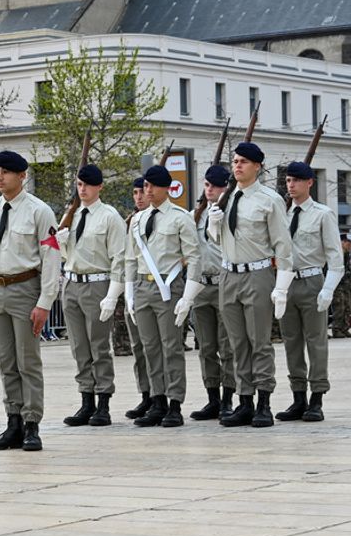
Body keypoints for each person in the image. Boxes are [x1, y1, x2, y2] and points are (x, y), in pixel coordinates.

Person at [0, 150, 60, 452]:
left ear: (22, 176)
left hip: (25, 289)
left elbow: (51, 258)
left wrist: (45, 302)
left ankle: (32, 423)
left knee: (28, 361)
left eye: (6, 172)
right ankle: (13, 422)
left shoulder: (39, 211)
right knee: (6, 361)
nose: (0, 177)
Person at [207, 141, 293, 428]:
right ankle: (244, 401)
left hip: (257, 274)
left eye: (243, 161)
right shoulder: (227, 197)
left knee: (259, 342)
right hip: (228, 275)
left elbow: (283, 245)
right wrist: (213, 224)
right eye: (235, 161)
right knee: (236, 344)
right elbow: (218, 240)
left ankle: (264, 402)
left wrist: (281, 287)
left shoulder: (270, 200)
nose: (237, 166)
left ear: (257, 166)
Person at [124, 165, 202, 428]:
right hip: (142, 287)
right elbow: (131, 258)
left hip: (168, 288)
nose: (147, 190)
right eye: (145, 186)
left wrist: (188, 296)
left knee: (171, 347)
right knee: (150, 348)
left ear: (166, 188)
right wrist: (129, 293)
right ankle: (157, 401)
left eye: (152, 186)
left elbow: (194, 257)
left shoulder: (180, 218)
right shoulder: (137, 220)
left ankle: (175, 403)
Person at [57, 164, 126, 427]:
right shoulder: (72, 215)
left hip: (97, 284)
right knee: (79, 346)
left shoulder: (110, 216)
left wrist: (113, 294)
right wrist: (61, 243)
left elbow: (119, 258)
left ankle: (103, 402)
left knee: (99, 346)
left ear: (99, 187)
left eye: (87, 184)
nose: (82, 189)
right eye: (79, 184)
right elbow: (67, 255)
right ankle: (86, 400)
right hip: (72, 283)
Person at [277, 161, 340, 423]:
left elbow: (335, 258)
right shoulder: (282, 214)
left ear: (310, 183)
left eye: (296, 180)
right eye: (288, 181)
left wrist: (328, 288)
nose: (291, 185)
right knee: (291, 342)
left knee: (316, 342)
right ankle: (298, 397)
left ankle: (317, 398)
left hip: (312, 281)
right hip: (286, 282)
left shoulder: (323, 214)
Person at [190, 166, 237, 420]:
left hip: (223, 283)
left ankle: (228, 398)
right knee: (206, 346)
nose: (209, 190)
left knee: (227, 346)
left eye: (215, 186)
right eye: (207, 185)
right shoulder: (195, 215)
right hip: (201, 286)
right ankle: (213, 399)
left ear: (225, 188)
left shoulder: (230, 213)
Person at [122, 177, 154, 419]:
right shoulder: (131, 221)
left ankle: (160, 395)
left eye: (142, 191)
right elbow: (127, 258)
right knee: (138, 347)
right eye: (135, 192)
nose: (139, 197)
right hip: (133, 287)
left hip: (156, 287)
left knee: (156, 347)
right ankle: (146, 394)